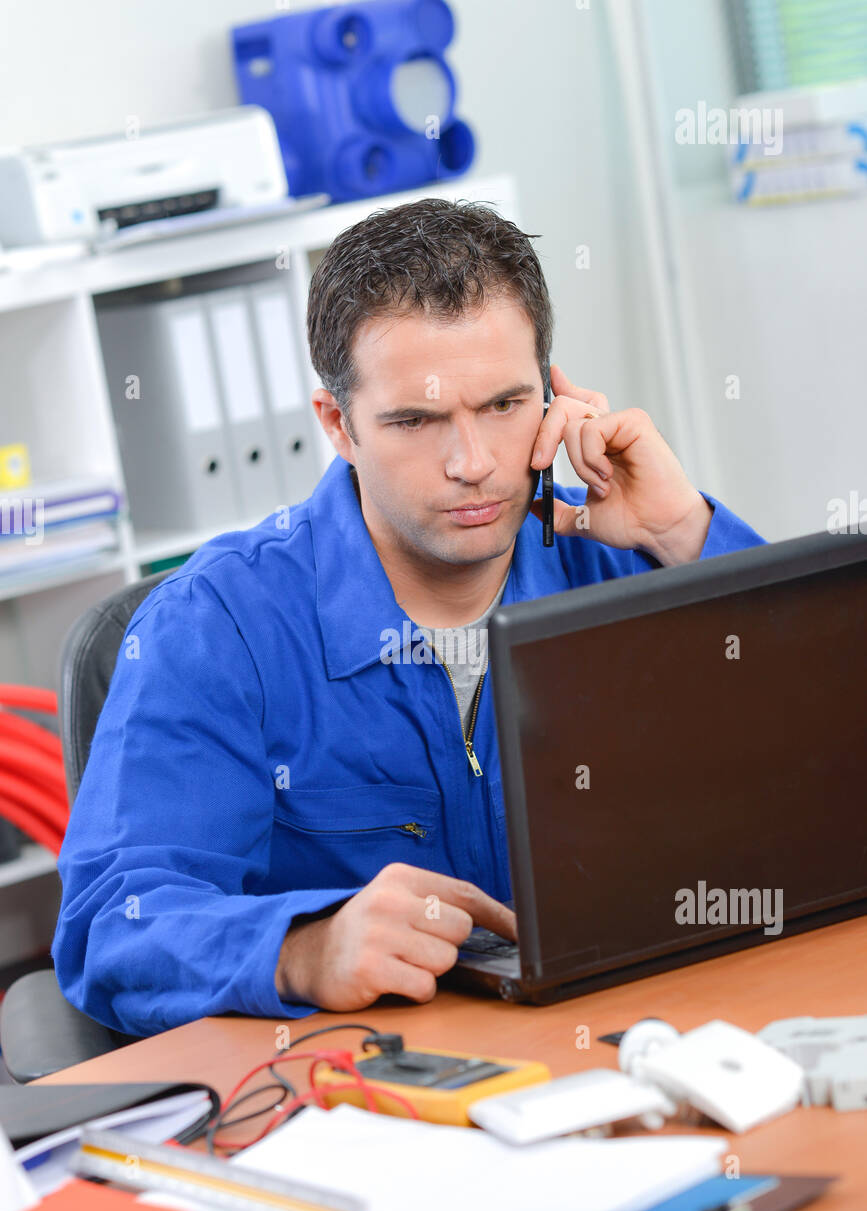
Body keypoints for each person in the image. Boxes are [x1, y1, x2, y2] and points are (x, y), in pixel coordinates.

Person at [53, 198, 764, 1036]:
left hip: (645, 1040)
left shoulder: (626, 562)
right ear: (338, 426)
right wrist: (301, 950)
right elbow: (117, 919)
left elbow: (826, 768)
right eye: (416, 420)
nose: (473, 464)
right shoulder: (214, 629)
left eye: (504, 405)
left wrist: (683, 535)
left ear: (554, 395)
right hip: (375, 1095)